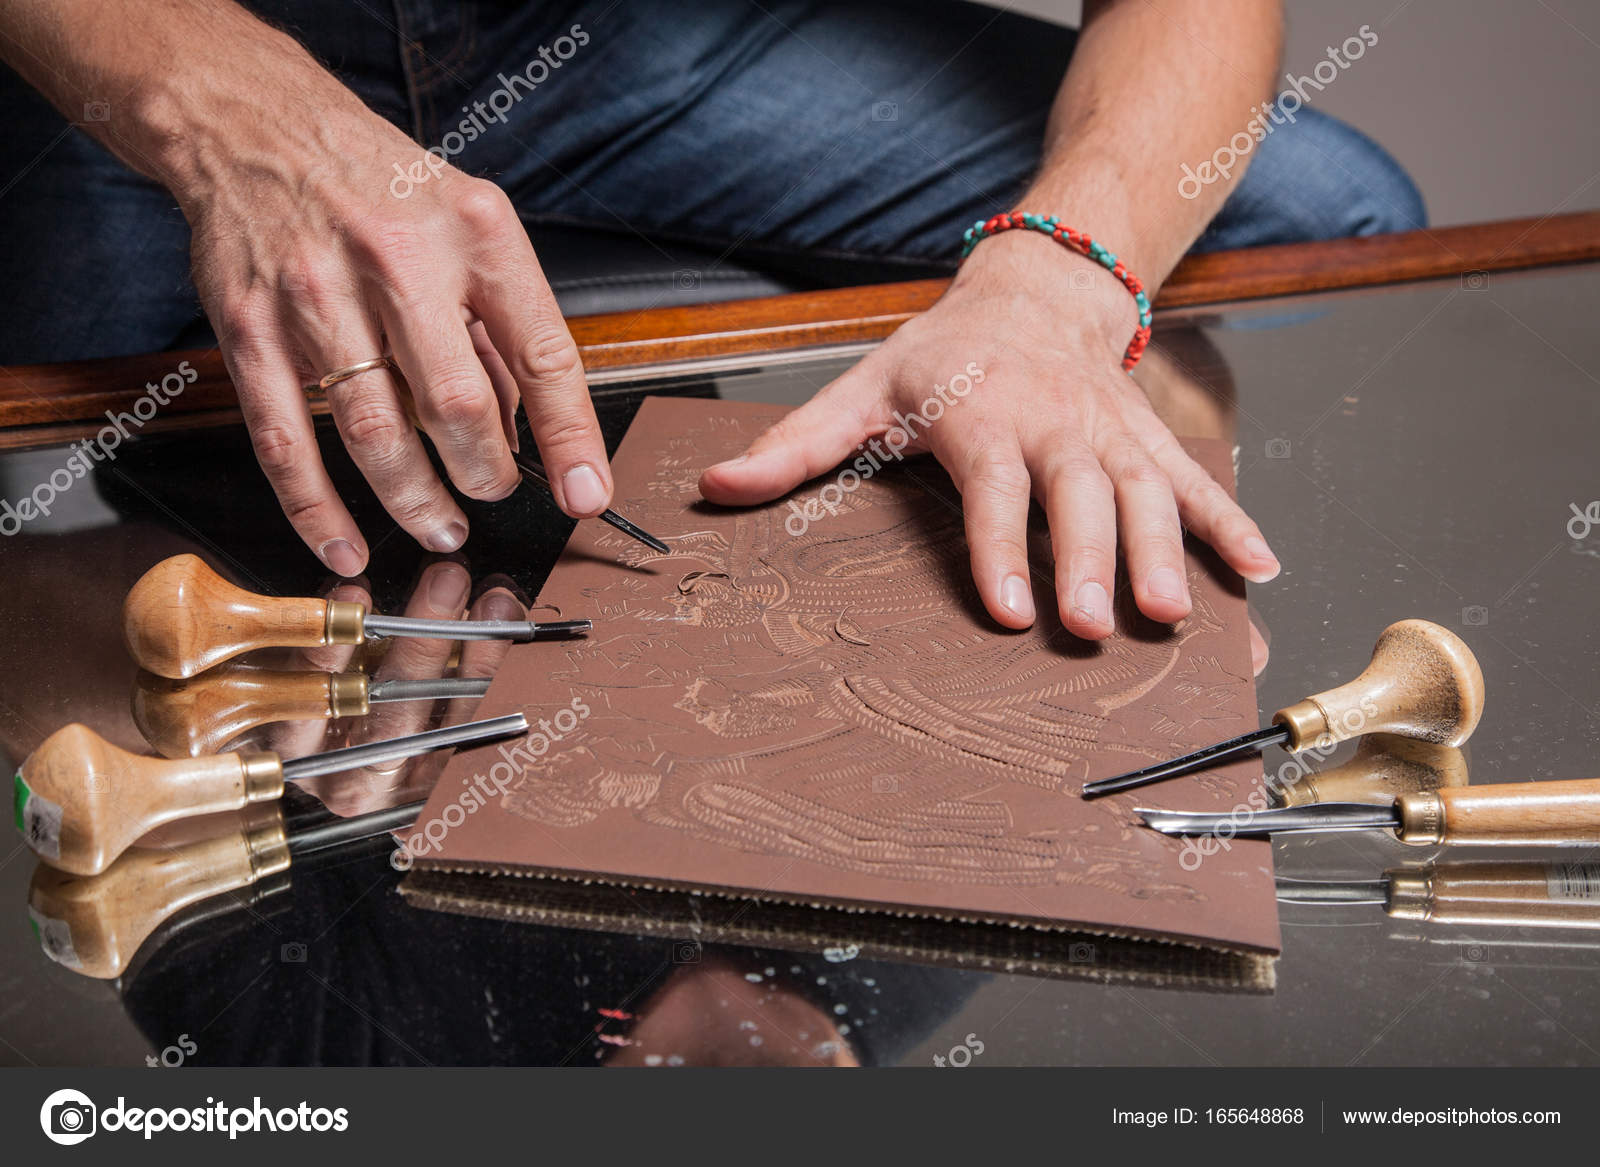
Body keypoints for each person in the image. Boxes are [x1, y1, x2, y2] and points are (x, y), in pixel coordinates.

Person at [0, 0, 1424, 637]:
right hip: (160, 38)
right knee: (94, 389)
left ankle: (494, 229)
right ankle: (463, 231)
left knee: (1318, 210)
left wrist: (1054, 283)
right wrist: (239, 135)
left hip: (603, 33)